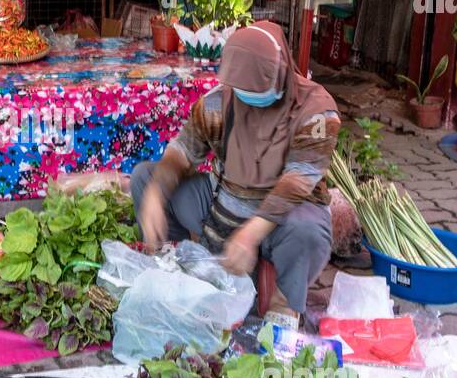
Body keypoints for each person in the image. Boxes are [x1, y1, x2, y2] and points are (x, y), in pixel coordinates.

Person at [131, 22, 338, 326]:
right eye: (240, 90)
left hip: (280, 222)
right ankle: (173, 265)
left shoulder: (316, 111)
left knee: (307, 231)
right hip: (221, 205)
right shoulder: (221, 100)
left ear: (280, 73)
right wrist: (155, 193)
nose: (245, 97)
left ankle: (283, 307)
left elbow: (297, 183)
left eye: (255, 90)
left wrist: (250, 233)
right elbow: (183, 151)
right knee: (146, 178)